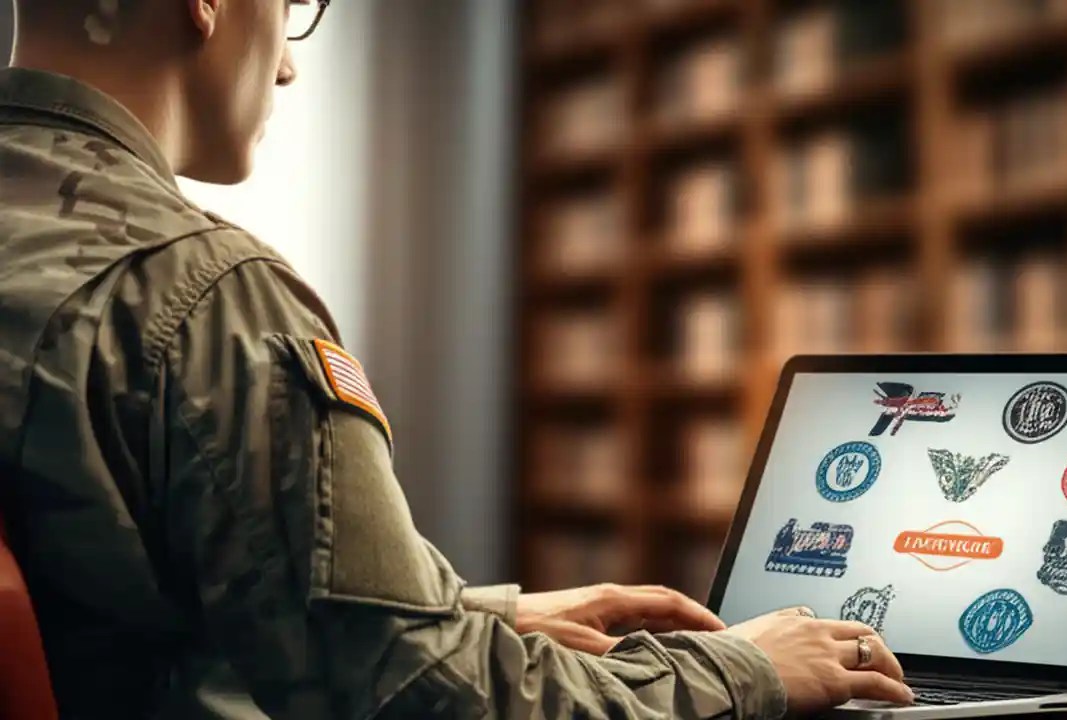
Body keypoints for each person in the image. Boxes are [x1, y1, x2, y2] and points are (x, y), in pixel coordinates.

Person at [0, 1, 916, 717]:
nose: (283, 62)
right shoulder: (203, 295)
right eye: (292, 7)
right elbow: (430, 700)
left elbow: (105, 613)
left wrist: (477, 618)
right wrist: (744, 670)